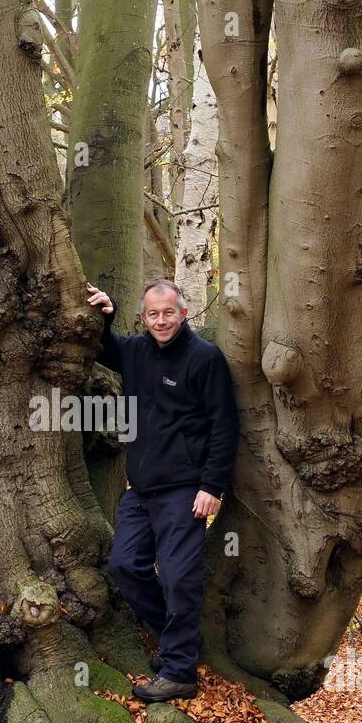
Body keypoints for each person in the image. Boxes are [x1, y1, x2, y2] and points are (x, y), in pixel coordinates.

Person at [86, 279, 240, 701]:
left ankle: (179, 672)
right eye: (152, 314)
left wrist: (212, 486)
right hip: (140, 490)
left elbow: (225, 427)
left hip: (185, 491)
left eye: (168, 313)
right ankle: (176, 644)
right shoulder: (135, 351)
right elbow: (104, 348)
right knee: (124, 567)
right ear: (144, 316)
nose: (160, 321)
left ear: (184, 313)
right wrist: (106, 312)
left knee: (177, 578)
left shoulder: (204, 359)